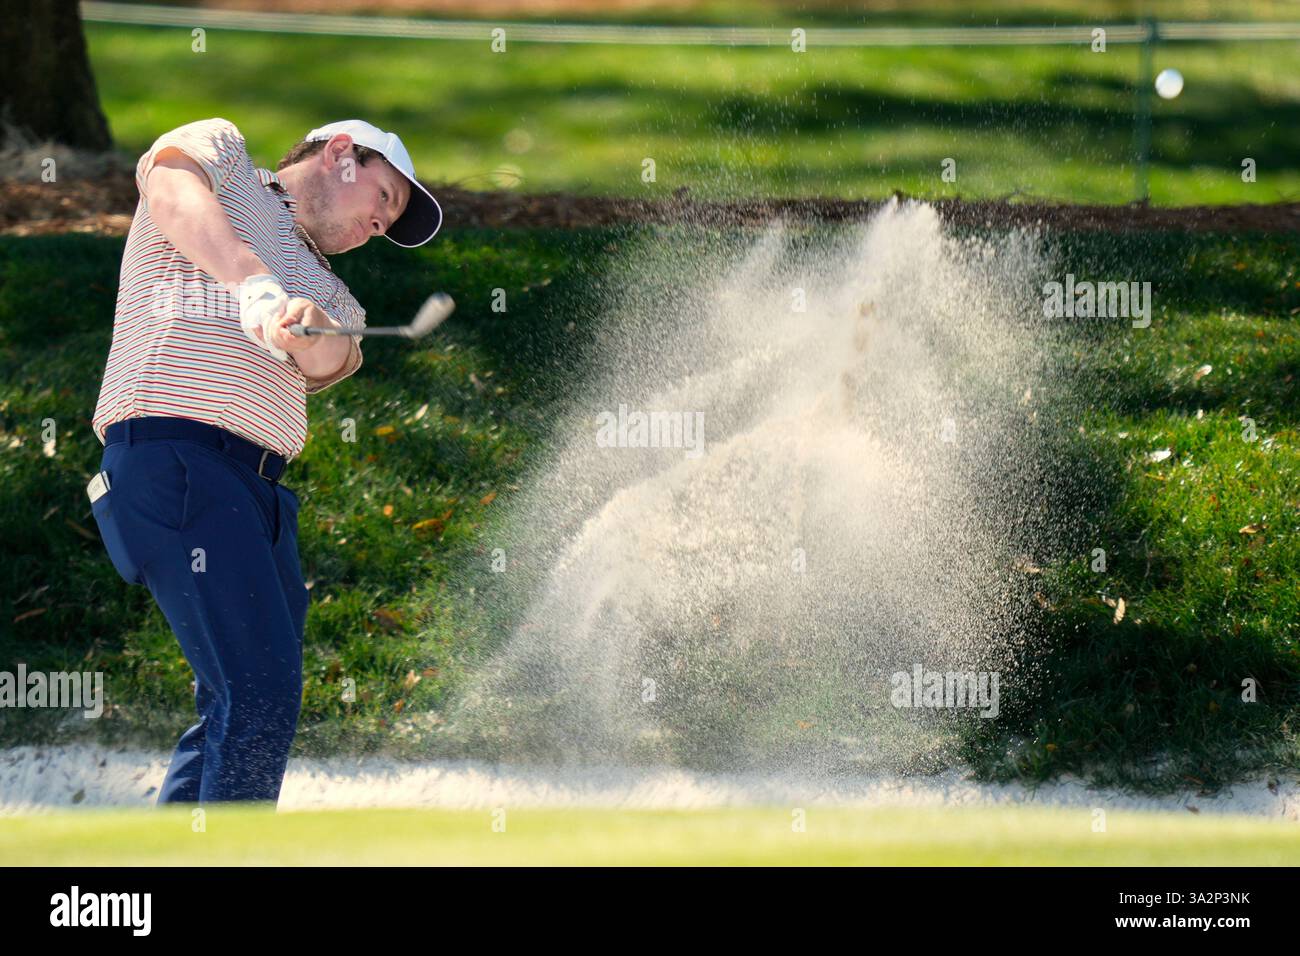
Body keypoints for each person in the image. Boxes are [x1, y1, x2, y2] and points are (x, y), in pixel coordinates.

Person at [88, 117, 442, 804]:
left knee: (243, 701)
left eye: (388, 222)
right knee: (256, 695)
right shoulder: (223, 154)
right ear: (342, 152)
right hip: (176, 458)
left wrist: (305, 328)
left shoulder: (334, 291)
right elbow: (170, 192)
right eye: (385, 199)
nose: (379, 223)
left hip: (259, 501)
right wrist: (251, 280)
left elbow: (333, 354)